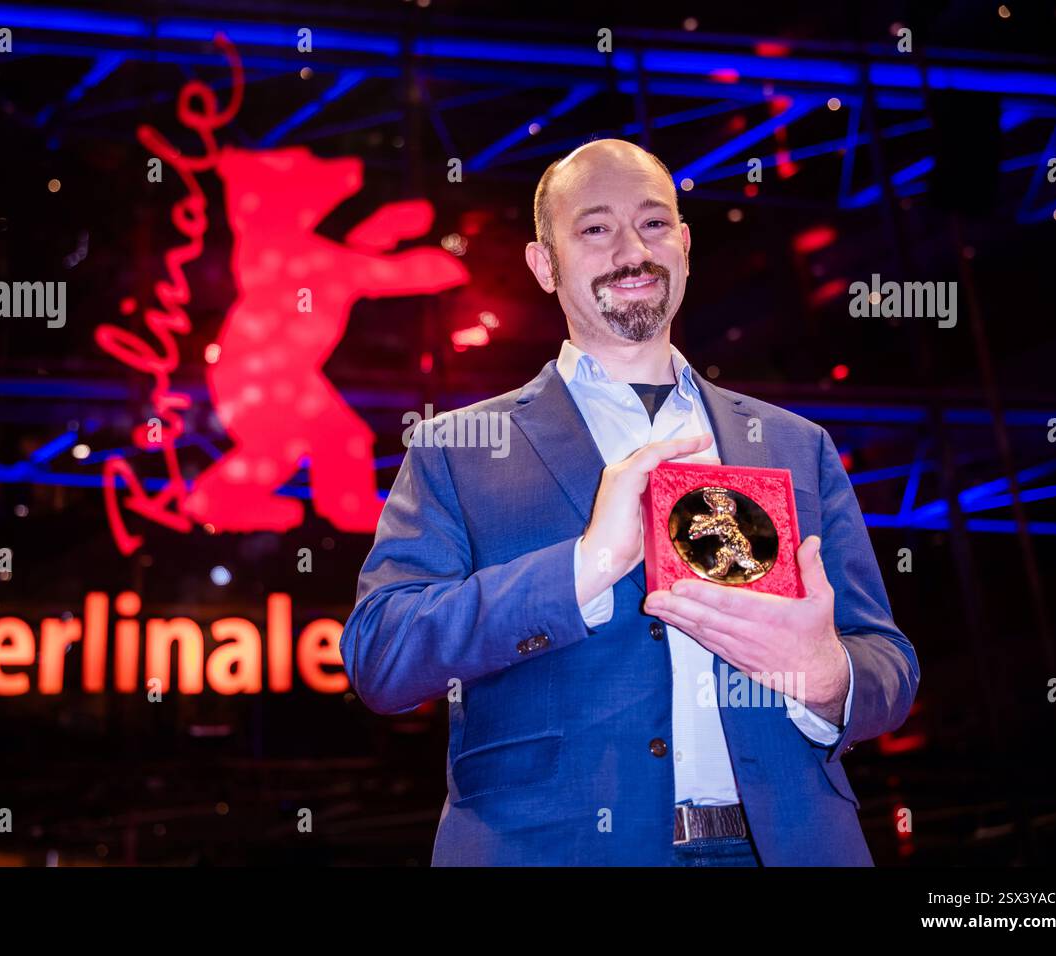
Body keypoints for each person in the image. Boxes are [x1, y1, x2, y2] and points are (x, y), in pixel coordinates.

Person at [339, 138, 920, 866]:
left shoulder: (795, 445)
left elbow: (888, 662)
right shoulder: (459, 447)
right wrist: (585, 567)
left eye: (651, 225)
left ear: (682, 246)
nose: (630, 250)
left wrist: (828, 674)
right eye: (594, 229)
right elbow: (381, 655)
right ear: (544, 264)